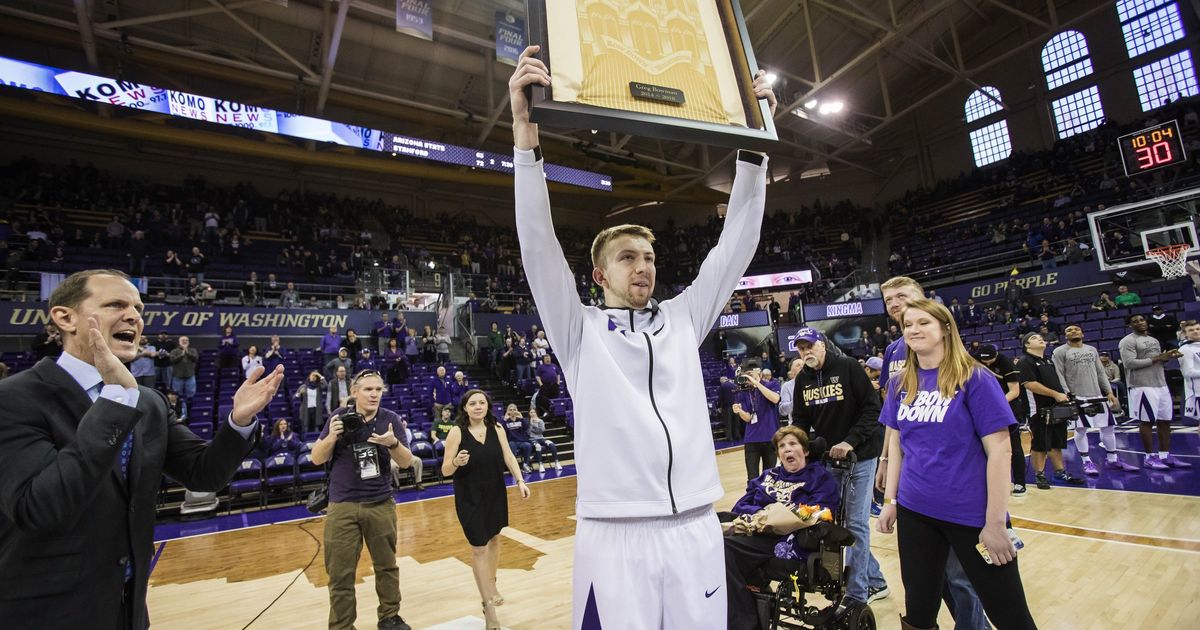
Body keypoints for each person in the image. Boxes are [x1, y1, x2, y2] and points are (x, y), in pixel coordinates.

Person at [511, 44, 777, 629]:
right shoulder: (578, 329)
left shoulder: (683, 317)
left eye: (650, 257)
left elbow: (735, 247)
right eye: (628, 257)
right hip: (615, 536)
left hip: (697, 528)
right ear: (600, 275)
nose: (644, 266)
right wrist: (525, 143)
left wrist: (755, 147)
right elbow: (536, 245)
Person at [0, 269, 284, 629]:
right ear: (65, 318)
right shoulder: (14, 399)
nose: (134, 316)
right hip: (44, 613)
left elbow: (204, 473)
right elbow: (40, 507)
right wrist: (115, 399)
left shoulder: (148, 402)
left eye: (138, 307)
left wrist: (238, 422)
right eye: (116, 304)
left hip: (128, 609)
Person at [876, 298, 1037, 630]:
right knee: (918, 611)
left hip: (971, 516)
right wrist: (890, 502)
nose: (913, 330)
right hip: (915, 512)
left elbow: (1001, 453)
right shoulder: (899, 383)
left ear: (946, 329)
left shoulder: (975, 379)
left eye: (924, 323)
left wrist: (994, 523)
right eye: (907, 325)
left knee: (1010, 615)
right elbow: (899, 446)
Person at [875, 276, 988, 630]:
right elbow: (894, 413)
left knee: (957, 573)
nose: (895, 303)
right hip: (912, 478)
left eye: (902, 296)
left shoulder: (940, 341)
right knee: (924, 577)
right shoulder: (895, 351)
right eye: (889, 299)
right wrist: (885, 458)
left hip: (952, 479)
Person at [790, 327, 889, 607]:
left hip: (861, 456)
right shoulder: (802, 381)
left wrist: (849, 441)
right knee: (834, 524)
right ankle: (876, 581)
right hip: (828, 460)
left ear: (823, 345)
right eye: (800, 348)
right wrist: (797, 444)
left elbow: (872, 410)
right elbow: (799, 418)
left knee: (856, 523)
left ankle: (856, 595)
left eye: (810, 346)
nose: (806, 352)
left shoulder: (847, 367)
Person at [310, 370, 415, 630]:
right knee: (340, 574)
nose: (374, 394)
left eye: (378, 389)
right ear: (354, 392)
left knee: (387, 566)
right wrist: (333, 437)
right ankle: (342, 625)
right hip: (342, 505)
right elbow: (316, 458)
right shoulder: (338, 417)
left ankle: (389, 617)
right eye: (368, 389)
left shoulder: (390, 419)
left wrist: (392, 444)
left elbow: (405, 462)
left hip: (380, 503)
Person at [722, 426, 839, 630]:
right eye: (782, 446)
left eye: (793, 444)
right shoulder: (768, 476)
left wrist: (780, 515)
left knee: (726, 548)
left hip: (791, 540)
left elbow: (820, 512)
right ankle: (744, 610)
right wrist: (767, 513)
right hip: (758, 532)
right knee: (717, 539)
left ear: (805, 451)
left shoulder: (820, 477)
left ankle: (745, 623)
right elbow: (740, 505)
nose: (787, 449)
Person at [440, 389, 531, 630]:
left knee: (495, 539)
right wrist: (456, 463)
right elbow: (445, 470)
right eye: (473, 403)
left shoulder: (498, 428)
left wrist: (520, 480)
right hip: (469, 497)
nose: (478, 406)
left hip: (494, 492)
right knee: (479, 548)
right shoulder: (456, 432)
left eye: (482, 402)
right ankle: (488, 606)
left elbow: (509, 456)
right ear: (465, 408)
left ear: (487, 406)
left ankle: (491, 583)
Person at [1052, 324, 1139, 474]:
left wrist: (1109, 392)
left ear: (1083, 333)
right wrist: (1066, 394)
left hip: (1097, 395)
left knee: (1108, 428)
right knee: (1081, 429)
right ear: (1065, 336)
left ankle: (1112, 459)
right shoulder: (1060, 351)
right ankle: (1087, 462)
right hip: (1077, 395)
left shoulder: (1092, 350)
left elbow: (1100, 372)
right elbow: (1059, 374)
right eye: (1069, 330)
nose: (1073, 331)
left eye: (1076, 329)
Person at [1120, 315, 1190, 469]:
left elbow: (1158, 360)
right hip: (1142, 385)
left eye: (1142, 320)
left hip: (1160, 383)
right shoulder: (1128, 341)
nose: (1140, 322)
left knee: (1165, 421)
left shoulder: (1154, 340)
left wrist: (1167, 357)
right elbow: (1129, 363)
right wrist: (1159, 358)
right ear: (1129, 325)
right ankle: (1149, 457)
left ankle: (1164, 456)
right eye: (1135, 321)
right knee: (1147, 421)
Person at [1018, 332, 1086, 489]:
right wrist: (1056, 394)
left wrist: (1064, 394)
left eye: (1040, 337)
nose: (1040, 338)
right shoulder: (1025, 361)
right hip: (1038, 410)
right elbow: (1030, 384)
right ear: (1027, 345)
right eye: (1034, 338)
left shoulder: (1048, 360)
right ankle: (1039, 475)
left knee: (1056, 442)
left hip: (1056, 408)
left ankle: (1060, 472)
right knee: (1040, 444)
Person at [972, 344, 1031, 495]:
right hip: (983, 409)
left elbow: (1014, 391)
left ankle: (1019, 483)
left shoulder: (1005, 363)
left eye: (990, 360)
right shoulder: (975, 359)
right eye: (984, 361)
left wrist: (996, 404)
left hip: (1006, 407)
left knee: (1013, 446)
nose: (987, 364)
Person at [732, 361, 783, 481]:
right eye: (746, 374)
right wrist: (739, 411)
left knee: (769, 477)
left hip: (770, 437)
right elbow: (748, 418)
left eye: (750, 373)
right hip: (751, 439)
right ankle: (753, 499)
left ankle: (766, 499)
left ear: (758, 372)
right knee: (752, 477)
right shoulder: (743, 392)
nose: (748, 376)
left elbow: (775, 399)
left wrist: (757, 383)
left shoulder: (772, 384)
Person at [168, 336, 199, 416]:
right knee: (176, 397)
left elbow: (195, 358)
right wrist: (182, 354)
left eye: (186, 340)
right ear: (179, 342)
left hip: (190, 377)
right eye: (183, 340)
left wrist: (187, 351)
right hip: (178, 377)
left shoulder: (193, 350)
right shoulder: (174, 351)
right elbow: (173, 360)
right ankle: (178, 414)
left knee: (191, 397)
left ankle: (189, 413)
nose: (185, 341)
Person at [501, 403, 535, 473]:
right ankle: (513, 467)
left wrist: (522, 418)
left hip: (521, 441)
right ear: (507, 411)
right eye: (510, 410)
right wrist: (504, 419)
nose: (512, 411)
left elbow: (526, 427)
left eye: (514, 409)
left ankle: (525, 465)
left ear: (517, 410)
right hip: (512, 441)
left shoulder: (520, 420)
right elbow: (502, 430)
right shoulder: (505, 421)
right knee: (512, 445)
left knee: (528, 445)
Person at [390, 418, 424, 491]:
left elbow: (408, 438)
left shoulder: (407, 431)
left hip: (407, 455)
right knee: (392, 466)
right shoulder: (390, 433)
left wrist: (404, 427)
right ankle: (397, 485)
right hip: (394, 457)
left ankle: (418, 483)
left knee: (418, 460)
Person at [527, 406, 562, 472]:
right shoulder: (527, 422)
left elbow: (541, 431)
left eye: (534, 412)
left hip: (541, 438)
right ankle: (541, 465)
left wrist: (535, 425)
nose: (533, 413)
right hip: (532, 440)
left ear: (536, 413)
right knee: (538, 446)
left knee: (551, 444)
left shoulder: (540, 421)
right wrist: (531, 424)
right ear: (529, 413)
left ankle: (557, 463)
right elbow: (528, 433)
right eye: (531, 412)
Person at [776, 356, 805, 426]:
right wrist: (797, 401)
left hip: (816, 426)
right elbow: (783, 411)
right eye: (798, 365)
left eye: (803, 365)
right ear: (792, 371)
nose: (802, 367)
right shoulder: (787, 386)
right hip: (797, 427)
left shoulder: (816, 381)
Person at [1181, 321, 1200, 420]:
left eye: (1198, 329)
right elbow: (1188, 372)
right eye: (1191, 330)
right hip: (1197, 392)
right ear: (1185, 333)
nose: (1196, 332)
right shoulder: (1185, 349)